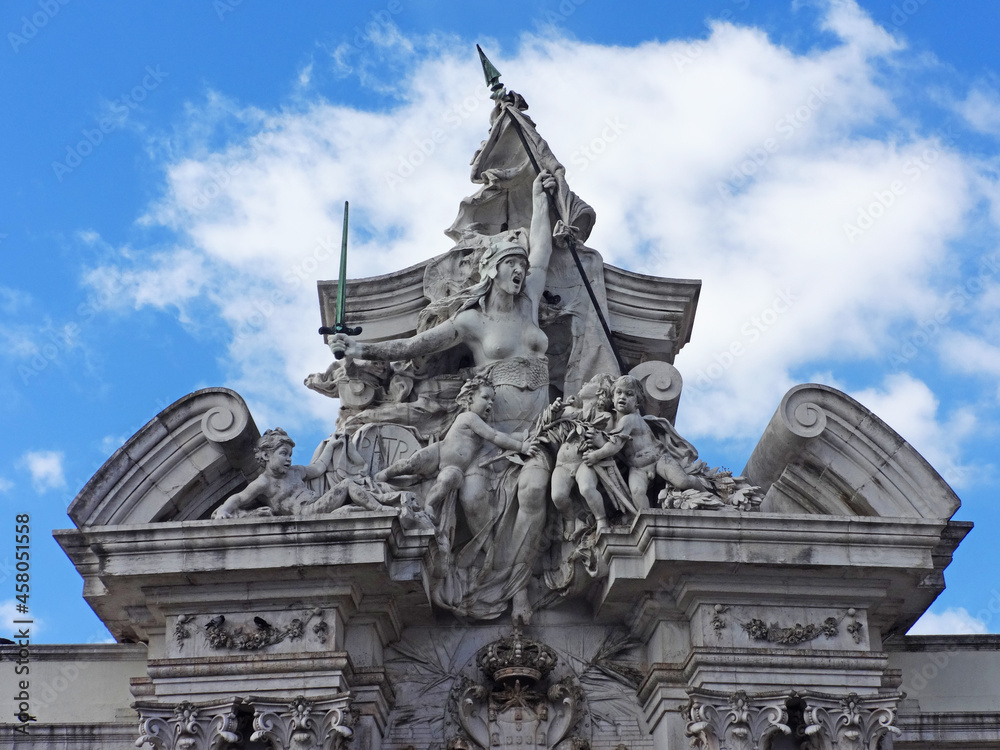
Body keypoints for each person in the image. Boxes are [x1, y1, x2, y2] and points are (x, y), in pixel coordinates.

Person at [329, 171, 558, 623]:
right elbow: (415, 347)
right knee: (475, 501)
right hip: (488, 437)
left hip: (536, 431)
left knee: (533, 492)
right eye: (512, 264)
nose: (519, 270)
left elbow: (544, 249)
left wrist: (540, 198)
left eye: (521, 263)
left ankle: (518, 590)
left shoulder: (531, 302)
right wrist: (359, 349)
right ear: (493, 271)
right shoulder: (472, 323)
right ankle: (494, 576)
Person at [375, 376, 528, 554]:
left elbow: (501, 437)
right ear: (470, 399)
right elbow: (494, 436)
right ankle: (384, 474)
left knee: (446, 482)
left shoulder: (480, 424)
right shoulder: (469, 417)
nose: (491, 403)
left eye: (493, 400)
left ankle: (430, 504)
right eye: (486, 398)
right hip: (439, 452)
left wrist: (524, 438)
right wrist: (521, 446)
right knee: (411, 463)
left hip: (456, 467)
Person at [584, 375, 708, 511]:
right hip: (637, 467)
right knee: (637, 492)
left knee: (683, 481)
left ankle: (707, 495)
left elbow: (615, 445)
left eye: (629, 394)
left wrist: (595, 454)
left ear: (637, 402)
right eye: (618, 392)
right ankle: (648, 519)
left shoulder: (629, 419)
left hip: (658, 458)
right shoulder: (615, 423)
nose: (623, 397)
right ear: (612, 397)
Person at [211, 428, 389, 519]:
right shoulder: (264, 482)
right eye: (283, 454)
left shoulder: (296, 472)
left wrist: (331, 446)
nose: (288, 459)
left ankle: (377, 504)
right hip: (306, 511)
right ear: (266, 455)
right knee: (347, 485)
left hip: (318, 502)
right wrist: (224, 511)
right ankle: (381, 509)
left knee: (352, 508)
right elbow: (240, 498)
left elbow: (319, 467)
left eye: (290, 454)